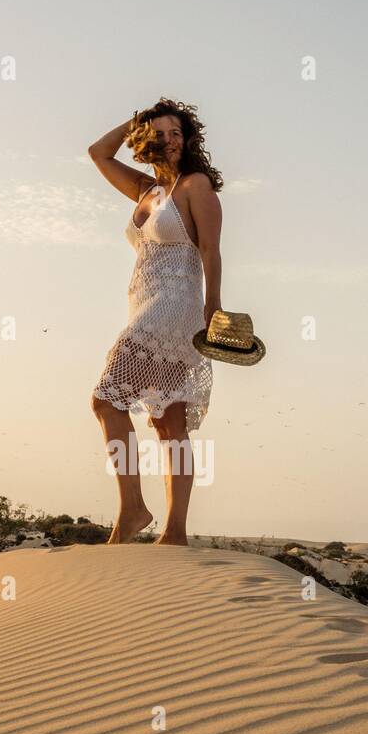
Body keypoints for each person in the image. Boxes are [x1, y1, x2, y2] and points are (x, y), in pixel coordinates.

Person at [89, 99, 222, 547]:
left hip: (176, 305)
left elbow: (210, 252)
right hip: (143, 302)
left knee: (106, 399)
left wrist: (213, 309)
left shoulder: (195, 186)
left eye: (176, 133)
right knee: (168, 421)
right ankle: (175, 532)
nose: (167, 141)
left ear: (188, 141)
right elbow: (98, 154)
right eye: (159, 133)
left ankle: (132, 509)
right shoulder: (147, 190)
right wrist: (135, 120)